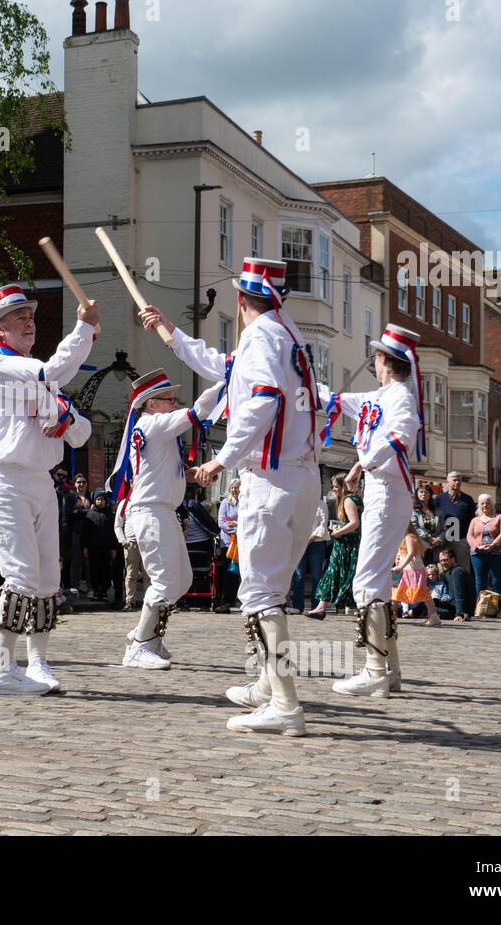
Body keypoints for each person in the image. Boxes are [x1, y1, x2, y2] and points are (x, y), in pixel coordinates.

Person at [150, 257, 321, 736]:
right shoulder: (289, 335)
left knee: (261, 594)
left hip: (272, 479)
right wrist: (169, 332)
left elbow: (263, 400)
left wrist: (222, 458)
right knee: (274, 592)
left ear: (241, 301)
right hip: (300, 479)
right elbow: (223, 368)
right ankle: (270, 685)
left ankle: (284, 704)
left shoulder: (263, 337)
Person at [0, 283, 96, 695]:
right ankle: (1, 670)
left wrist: (66, 422)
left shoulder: (43, 381)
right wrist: (83, 331)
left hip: (41, 483)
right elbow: (52, 370)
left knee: (47, 580)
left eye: (30, 317)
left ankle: (38, 663)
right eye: (18, 318)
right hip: (6, 481)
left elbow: (83, 432)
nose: (28, 323)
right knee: (22, 575)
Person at [318, 323, 423, 698]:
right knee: (376, 581)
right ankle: (390, 670)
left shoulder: (400, 398)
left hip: (386, 489)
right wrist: (297, 379)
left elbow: (401, 434)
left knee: (367, 581)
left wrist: (365, 463)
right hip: (383, 489)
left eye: (376, 355)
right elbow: (338, 400)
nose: (373, 361)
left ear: (383, 360)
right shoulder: (382, 395)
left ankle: (375, 669)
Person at [106, 368, 222, 668]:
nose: (174, 403)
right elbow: (198, 412)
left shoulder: (155, 428)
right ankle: (140, 645)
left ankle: (149, 636)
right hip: (151, 510)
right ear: (151, 403)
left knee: (181, 580)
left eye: (174, 399)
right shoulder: (154, 424)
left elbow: (160, 470)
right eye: (169, 399)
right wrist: (226, 381)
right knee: (165, 579)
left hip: (163, 509)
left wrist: (190, 475)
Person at [305, 474, 361, 619]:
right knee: (333, 573)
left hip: (348, 545)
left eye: (336, 486)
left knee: (340, 574)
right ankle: (321, 607)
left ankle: (325, 607)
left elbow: (354, 523)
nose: (334, 489)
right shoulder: (347, 499)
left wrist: (337, 532)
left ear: (343, 487)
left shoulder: (348, 500)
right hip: (344, 544)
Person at [289, 491, 330, 615]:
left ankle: (316, 605)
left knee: (316, 575)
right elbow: (293, 523)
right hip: (300, 542)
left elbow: (323, 524)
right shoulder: (297, 504)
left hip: (316, 542)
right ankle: (297, 606)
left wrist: (311, 538)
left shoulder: (321, 504)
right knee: (299, 575)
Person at [393, 523, 440, 625]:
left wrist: (400, 566)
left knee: (423, 594)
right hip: (407, 570)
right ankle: (392, 616)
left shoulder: (409, 537)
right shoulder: (403, 537)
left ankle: (433, 616)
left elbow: (411, 553)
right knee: (396, 593)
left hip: (414, 571)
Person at [433, 470, 476, 571]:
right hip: (443, 540)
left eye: (459, 480)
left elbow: (472, 521)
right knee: (442, 569)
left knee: (462, 568)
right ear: (448, 481)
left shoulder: (467, 499)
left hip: (460, 540)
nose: (457, 482)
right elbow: (434, 518)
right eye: (455, 480)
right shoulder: (439, 499)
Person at [467, 492, 501, 596]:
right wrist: (476, 547)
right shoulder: (474, 520)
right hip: (478, 554)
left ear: (492, 504)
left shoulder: (499, 517)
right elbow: (469, 536)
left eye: (487, 503)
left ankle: (498, 609)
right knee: (480, 583)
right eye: (482, 503)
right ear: (479, 505)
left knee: (496, 582)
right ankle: (480, 608)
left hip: (496, 553)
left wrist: (493, 545)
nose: (485, 505)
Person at [216, 478, 241, 610]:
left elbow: (247, 520)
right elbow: (222, 522)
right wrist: (237, 529)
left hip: (241, 542)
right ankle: (227, 599)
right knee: (228, 570)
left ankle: (236, 597)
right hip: (228, 542)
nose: (234, 490)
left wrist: (236, 524)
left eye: (236, 487)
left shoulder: (244, 502)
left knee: (239, 571)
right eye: (232, 487)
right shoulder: (226, 503)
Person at [439, 547, 476, 621]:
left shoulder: (457, 572)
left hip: (461, 610)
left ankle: (412, 612)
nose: (443, 563)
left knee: (430, 609)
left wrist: (460, 614)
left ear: (453, 559)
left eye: (445, 560)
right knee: (431, 603)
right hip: (453, 606)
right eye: (441, 561)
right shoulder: (448, 572)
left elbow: (459, 593)